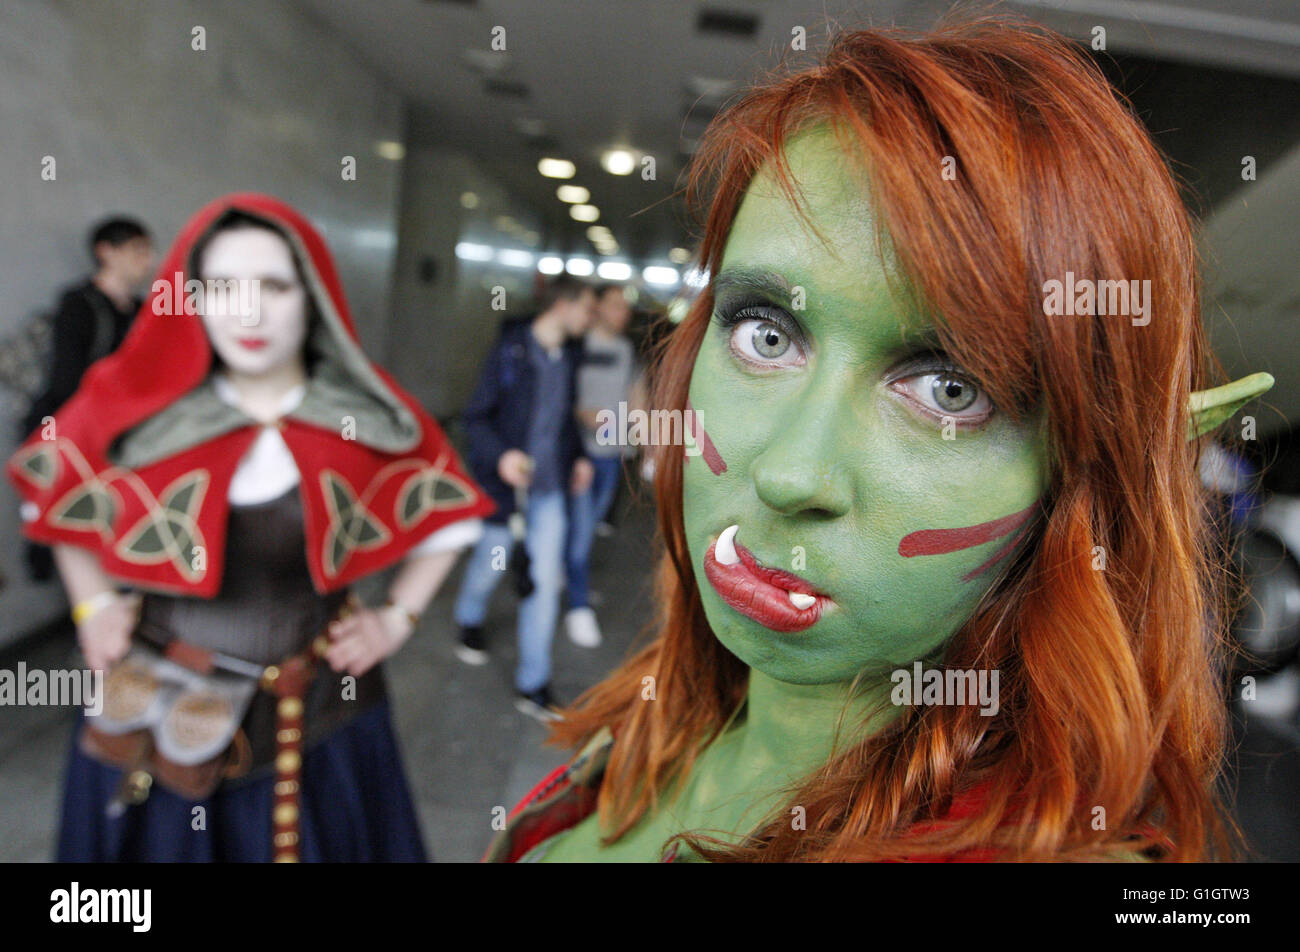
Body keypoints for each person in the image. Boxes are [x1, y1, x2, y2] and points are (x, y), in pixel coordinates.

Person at [484, 18, 1274, 862]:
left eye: (950, 389)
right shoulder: (664, 720)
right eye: (767, 334)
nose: (790, 474)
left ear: (1075, 483)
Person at [8, 194, 494, 862]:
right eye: (222, 288)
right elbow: (51, 491)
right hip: (163, 708)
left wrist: (397, 619)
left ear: (312, 294)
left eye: (273, 285)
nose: (248, 311)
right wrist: (91, 603)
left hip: (322, 718)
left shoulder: (365, 413)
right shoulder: (147, 410)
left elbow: (451, 517)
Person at [454, 275, 595, 720]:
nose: (589, 318)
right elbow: (475, 418)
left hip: (549, 493)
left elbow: (564, 420)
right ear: (565, 305)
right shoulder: (511, 351)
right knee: (490, 563)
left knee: (542, 583)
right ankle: (469, 616)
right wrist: (501, 457)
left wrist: (580, 457)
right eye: (586, 308)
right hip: (506, 491)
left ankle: (532, 683)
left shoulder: (570, 356)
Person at [20, 217, 155, 581]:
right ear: (106, 252)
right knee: (66, 524)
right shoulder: (79, 303)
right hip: (71, 431)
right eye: (138, 250)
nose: (148, 260)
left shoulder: (143, 311)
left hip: (119, 435)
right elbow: (66, 380)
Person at [564, 283, 639, 648]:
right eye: (614, 305)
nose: (622, 312)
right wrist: (607, 421)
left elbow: (635, 396)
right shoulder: (577, 346)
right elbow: (571, 405)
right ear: (596, 308)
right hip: (582, 457)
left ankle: (564, 577)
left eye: (626, 307)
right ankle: (577, 607)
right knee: (578, 536)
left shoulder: (625, 350)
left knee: (588, 527)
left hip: (612, 455)